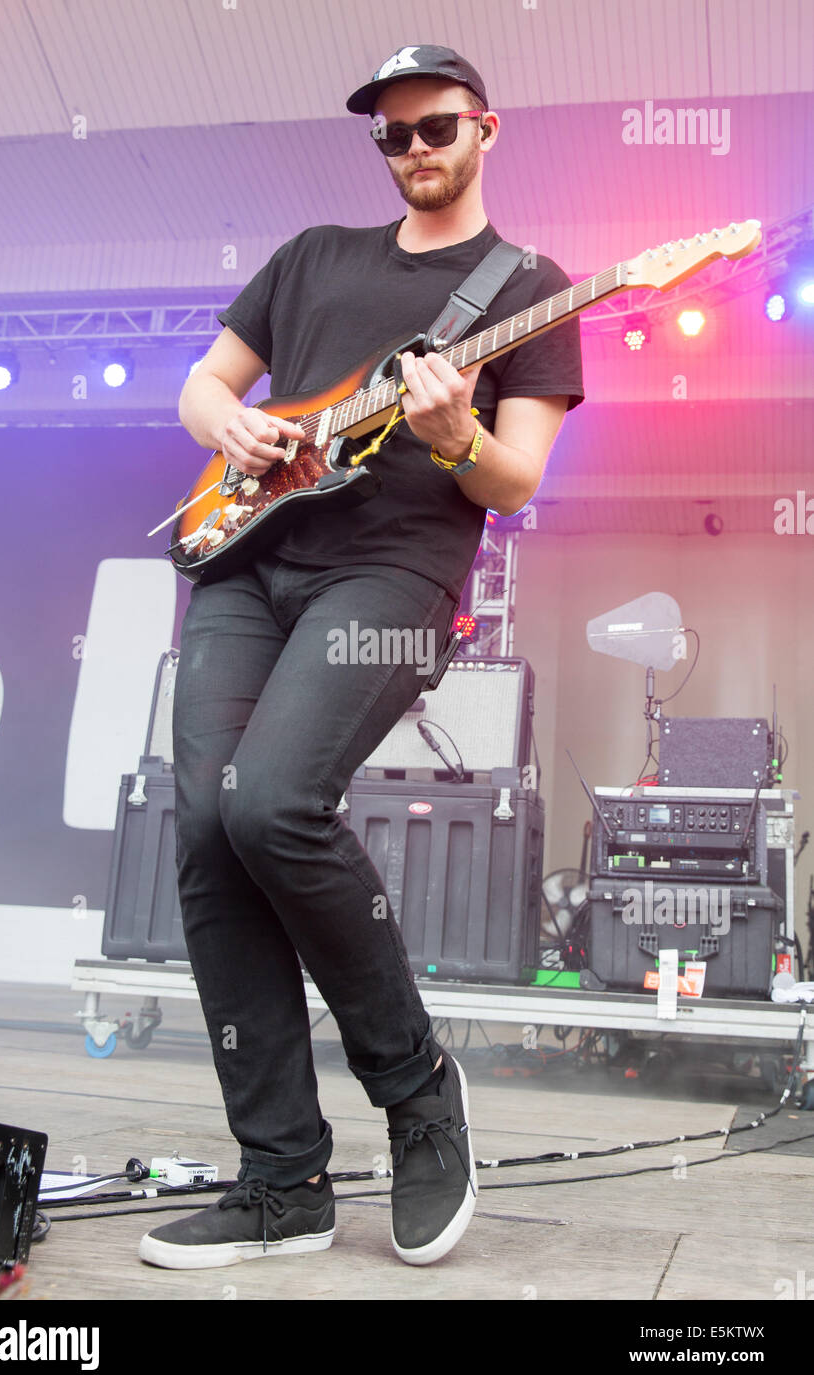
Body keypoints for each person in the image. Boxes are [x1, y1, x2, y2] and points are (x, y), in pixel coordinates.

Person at [139, 44, 583, 1272]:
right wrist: (226, 419)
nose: (414, 151)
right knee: (203, 827)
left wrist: (452, 436)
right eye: (390, 135)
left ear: (484, 128)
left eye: (435, 126)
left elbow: (515, 477)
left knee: (274, 801)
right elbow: (203, 387)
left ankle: (414, 1087)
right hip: (246, 561)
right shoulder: (310, 256)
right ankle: (282, 1181)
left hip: (388, 576)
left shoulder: (527, 288)